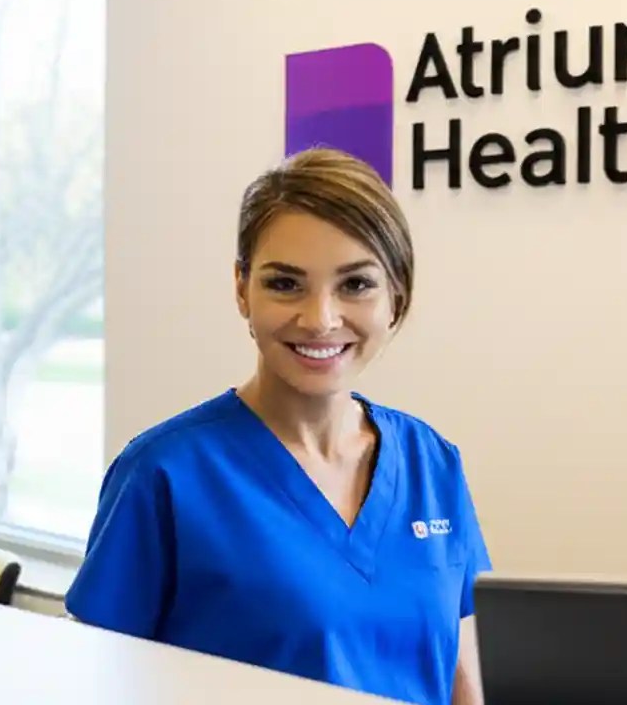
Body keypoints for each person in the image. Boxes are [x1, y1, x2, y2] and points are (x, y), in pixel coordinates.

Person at [64, 147, 491, 705]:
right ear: (242, 289)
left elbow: (464, 674)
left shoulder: (432, 463)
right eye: (285, 284)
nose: (320, 319)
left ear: (396, 296)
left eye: (356, 284)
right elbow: (97, 682)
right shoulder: (164, 475)